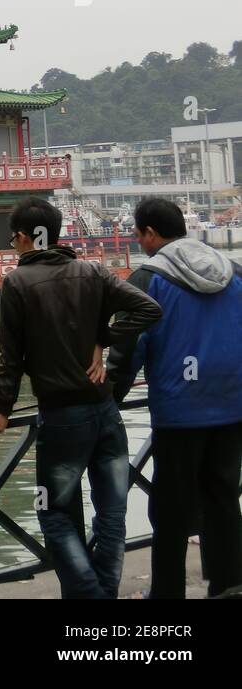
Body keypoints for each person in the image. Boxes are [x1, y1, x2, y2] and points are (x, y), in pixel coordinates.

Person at [0, 197, 161, 599]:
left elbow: (10, 356)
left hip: (61, 417)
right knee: (112, 512)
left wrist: (2, 409)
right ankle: (103, 592)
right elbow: (148, 309)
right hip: (106, 410)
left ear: (24, 237)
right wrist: (103, 338)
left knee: (52, 512)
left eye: (13, 239)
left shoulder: (17, 282)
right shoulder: (92, 271)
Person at [106, 198, 242, 598]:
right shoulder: (234, 272)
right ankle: (229, 583)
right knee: (223, 495)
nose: (139, 242)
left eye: (138, 235)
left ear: (150, 233)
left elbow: (126, 349)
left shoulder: (148, 279)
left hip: (179, 412)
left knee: (171, 508)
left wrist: (110, 398)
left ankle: (167, 592)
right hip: (232, 405)